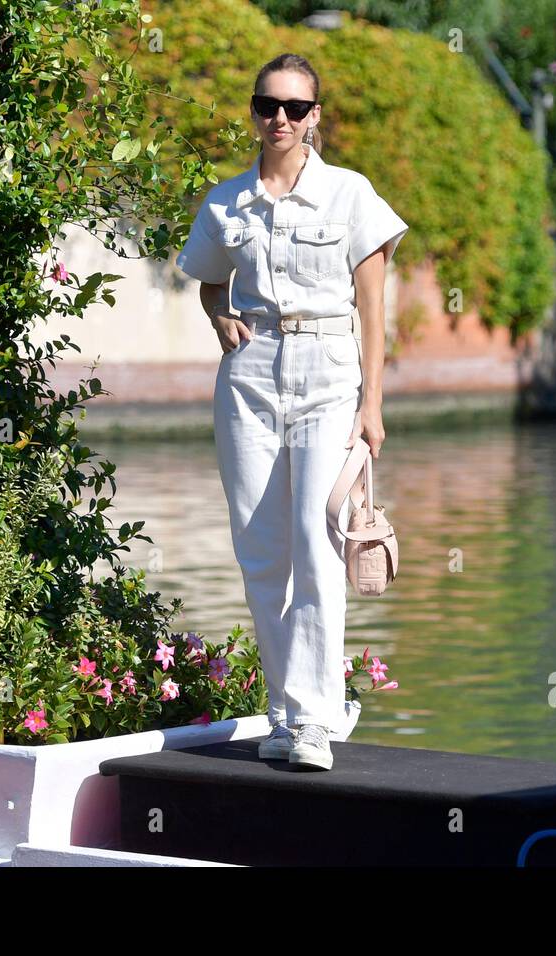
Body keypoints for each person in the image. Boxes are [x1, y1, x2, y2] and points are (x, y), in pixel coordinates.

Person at [175, 53, 408, 771]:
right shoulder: (226, 202)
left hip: (329, 371)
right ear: (254, 112)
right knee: (258, 549)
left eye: (296, 108)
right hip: (248, 374)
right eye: (267, 104)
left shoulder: (349, 194)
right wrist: (219, 317)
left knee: (315, 536)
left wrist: (372, 403)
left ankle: (314, 719)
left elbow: (372, 305)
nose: (280, 118)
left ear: (315, 118)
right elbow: (211, 282)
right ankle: (285, 713)